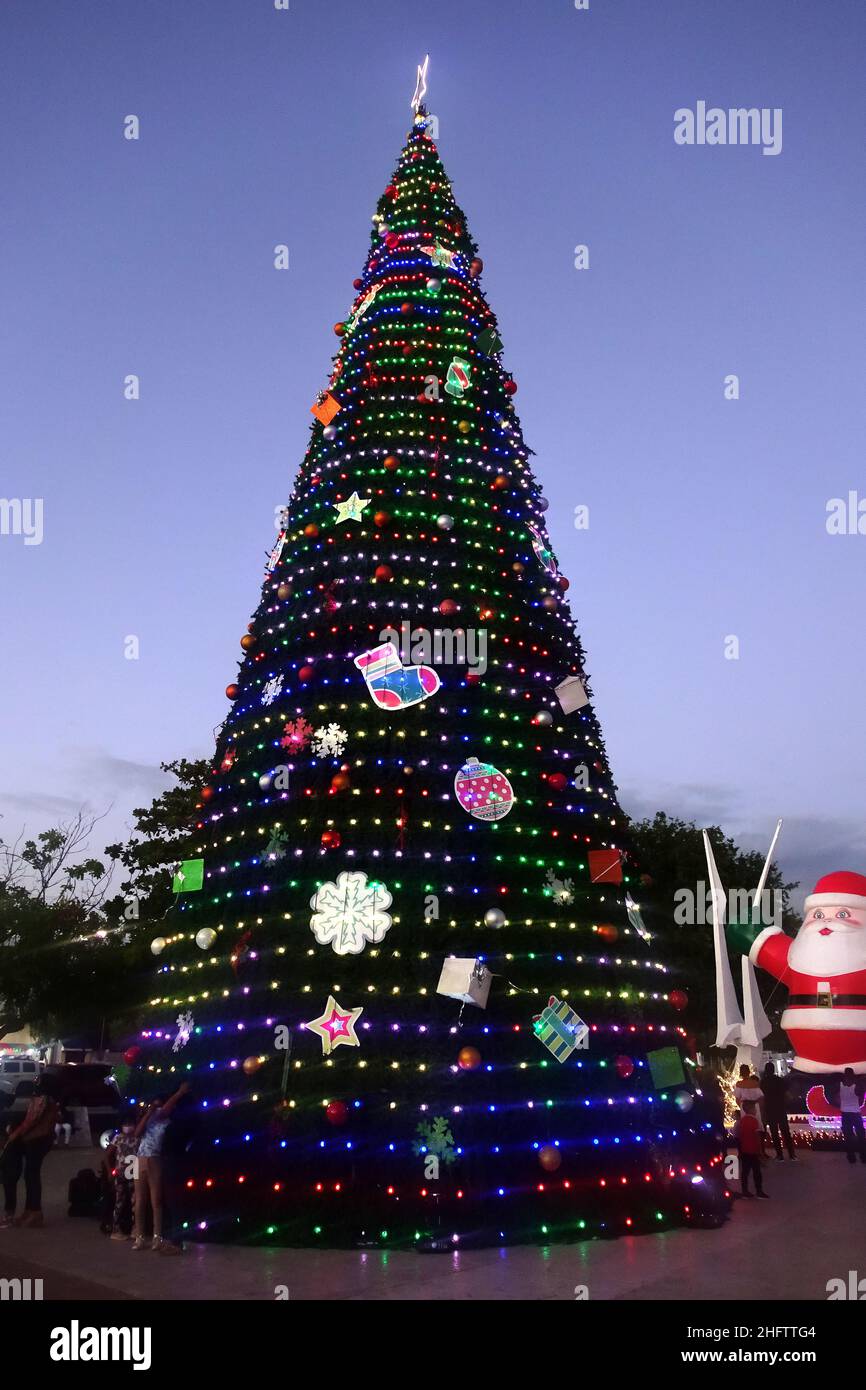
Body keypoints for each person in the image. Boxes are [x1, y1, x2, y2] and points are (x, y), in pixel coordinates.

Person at [131, 1082, 189, 1253]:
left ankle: (157, 1236)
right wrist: (147, 1113)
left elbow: (165, 1109)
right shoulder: (150, 1116)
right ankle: (140, 1236)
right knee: (140, 1199)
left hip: (155, 1159)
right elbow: (137, 1133)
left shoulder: (166, 1119)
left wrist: (178, 1094)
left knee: (156, 1200)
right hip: (140, 1158)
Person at [0, 1078, 60, 1228]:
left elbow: (29, 1121)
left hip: (36, 1140)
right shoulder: (45, 1101)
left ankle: (34, 1212)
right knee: (29, 1174)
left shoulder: (42, 1100)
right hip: (33, 1140)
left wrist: (15, 1134)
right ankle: (30, 1211)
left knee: (31, 1174)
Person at [108, 1113, 139, 1240]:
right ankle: (116, 1229)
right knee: (119, 1201)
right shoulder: (117, 1138)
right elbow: (107, 1154)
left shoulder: (138, 1138)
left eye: (130, 1124)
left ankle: (135, 1228)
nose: (128, 1126)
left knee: (135, 1202)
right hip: (121, 1173)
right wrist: (110, 1171)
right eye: (125, 1124)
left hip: (134, 1173)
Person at [734, 1100, 769, 1199]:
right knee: (756, 1172)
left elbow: (739, 1135)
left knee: (745, 1171)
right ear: (750, 1109)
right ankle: (759, 1191)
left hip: (745, 1150)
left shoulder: (742, 1121)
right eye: (754, 1108)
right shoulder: (754, 1121)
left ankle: (745, 1191)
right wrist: (760, 1151)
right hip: (753, 1150)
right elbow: (757, 1136)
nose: (755, 1110)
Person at [762, 1064, 796, 1161]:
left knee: (774, 1133)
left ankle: (779, 1155)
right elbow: (786, 1094)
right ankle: (792, 1154)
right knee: (785, 1132)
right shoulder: (780, 1080)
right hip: (780, 1108)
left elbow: (762, 1097)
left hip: (770, 1109)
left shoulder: (764, 1082)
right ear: (773, 1070)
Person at [837, 1068, 866, 1165]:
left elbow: (837, 1098)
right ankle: (863, 1157)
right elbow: (861, 1100)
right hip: (855, 1113)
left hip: (845, 1114)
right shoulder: (857, 1085)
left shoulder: (840, 1085)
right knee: (861, 1136)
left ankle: (851, 1158)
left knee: (848, 1137)